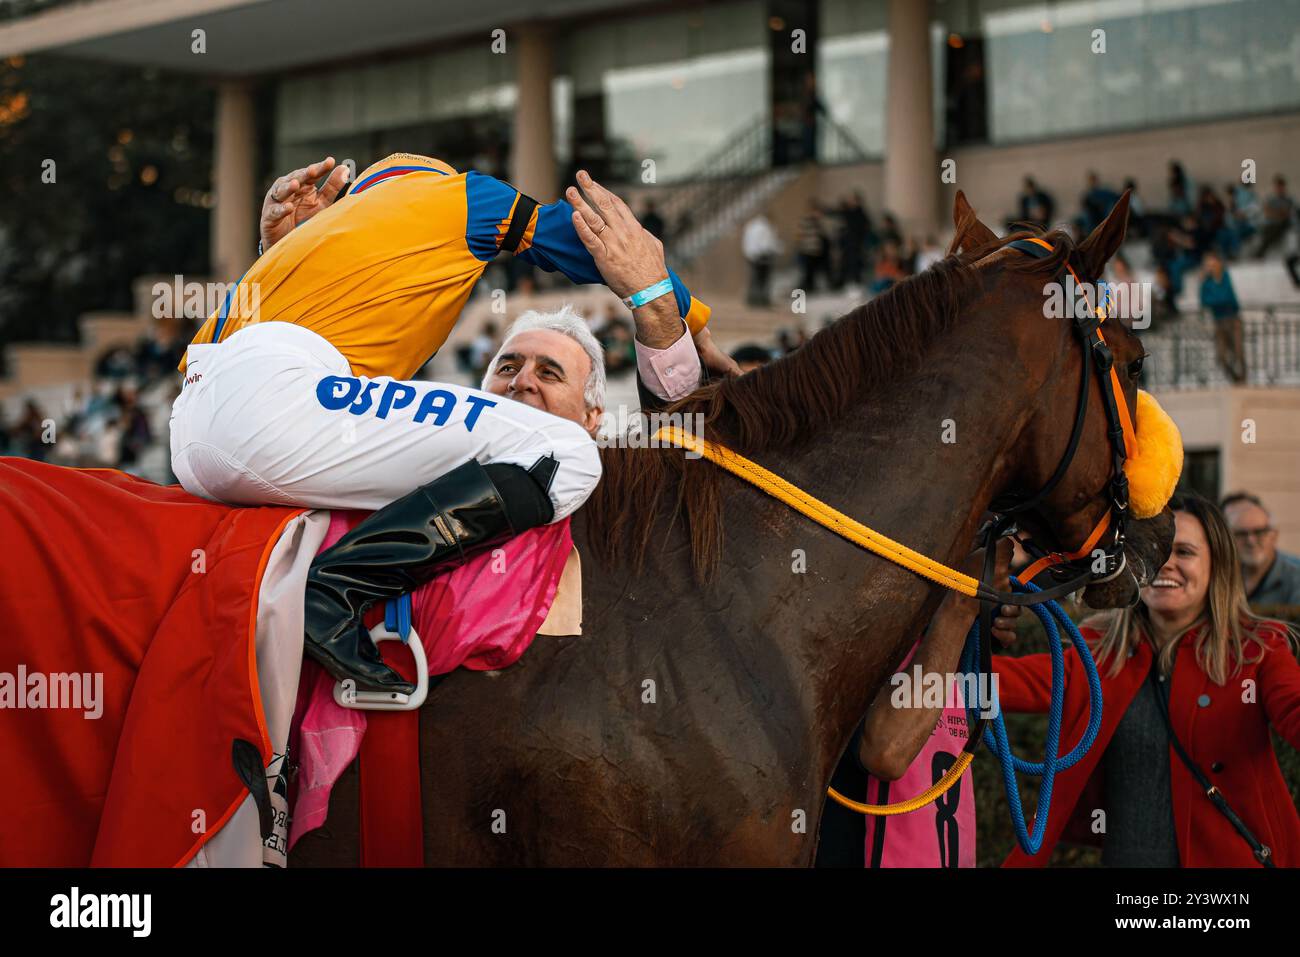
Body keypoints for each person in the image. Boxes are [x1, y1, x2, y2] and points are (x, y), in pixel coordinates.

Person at [171, 154, 732, 694]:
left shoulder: (326, 244)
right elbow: (583, 238)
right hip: (271, 402)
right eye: (507, 366)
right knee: (565, 453)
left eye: (550, 372)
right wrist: (692, 312)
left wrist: (281, 247)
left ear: (595, 413)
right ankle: (336, 592)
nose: (520, 384)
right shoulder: (454, 196)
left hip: (197, 428)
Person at [996, 493, 1300, 867]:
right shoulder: (1098, 653)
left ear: (1218, 565)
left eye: (1184, 552)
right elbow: (1000, 682)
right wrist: (946, 637)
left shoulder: (1258, 649)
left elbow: (1293, 706)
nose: (1164, 564)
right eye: (1154, 550)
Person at [817, 539, 1020, 867]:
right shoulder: (854, 619)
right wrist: (960, 605)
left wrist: (973, 625)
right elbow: (887, 754)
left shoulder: (923, 629)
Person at [1221, 492, 1300, 616]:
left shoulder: (1295, 579)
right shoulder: (1220, 575)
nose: (1251, 541)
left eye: (1259, 532)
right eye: (1241, 534)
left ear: (1274, 535)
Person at [1199, 251, 1245, 383]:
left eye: (1212, 264)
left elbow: (1227, 297)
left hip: (1233, 319)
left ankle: (1243, 378)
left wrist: (1214, 299)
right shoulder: (1206, 283)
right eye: (1208, 265)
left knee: (1239, 353)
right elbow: (1204, 301)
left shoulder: (1225, 277)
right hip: (1218, 321)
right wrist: (1202, 283)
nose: (1210, 267)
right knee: (1221, 356)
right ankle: (1236, 379)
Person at [742, 212, 781, 307]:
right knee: (762, 279)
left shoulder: (751, 226)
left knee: (755, 279)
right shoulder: (765, 228)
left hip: (752, 254)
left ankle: (752, 300)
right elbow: (766, 243)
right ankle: (761, 300)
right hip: (762, 255)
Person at [1256, 175, 1294, 258]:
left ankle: (1260, 252)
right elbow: (1266, 212)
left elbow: (1286, 214)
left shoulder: (1288, 199)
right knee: (1267, 229)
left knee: (1274, 229)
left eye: (1280, 187)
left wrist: (1274, 213)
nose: (1278, 189)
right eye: (1276, 187)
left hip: (1283, 224)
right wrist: (1277, 213)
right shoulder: (1271, 199)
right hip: (1271, 223)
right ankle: (1260, 252)